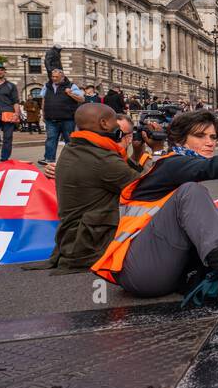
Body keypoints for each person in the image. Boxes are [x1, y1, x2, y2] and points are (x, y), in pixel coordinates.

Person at [92, 109, 218, 306]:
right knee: (192, 192)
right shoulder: (170, 164)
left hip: (168, 267)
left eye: (213, 136)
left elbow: (206, 219)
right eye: (200, 135)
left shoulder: (178, 172)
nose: (210, 142)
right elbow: (210, 167)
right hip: (139, 269)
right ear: (180, 140)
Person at [41, 103, 145, 271]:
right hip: (91, 243)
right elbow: (145, 187)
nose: (117, 128)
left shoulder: (73, 148)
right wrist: (157, 150)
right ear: (104, 123)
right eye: (114, 123)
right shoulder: (102, 158)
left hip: (74, 239)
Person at [39, 68, 84, 164]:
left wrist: (70, 93)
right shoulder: (47, 86)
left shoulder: (71, 86)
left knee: (69, 140)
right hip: (51, 118)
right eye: (53, 76)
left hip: (67, 119)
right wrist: (43, 113)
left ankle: (72, 160)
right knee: (51, 139)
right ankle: (49, 159)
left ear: (62, 77)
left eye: (56, 77)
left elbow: (81, 99)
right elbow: (44, 100)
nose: (54, 79)